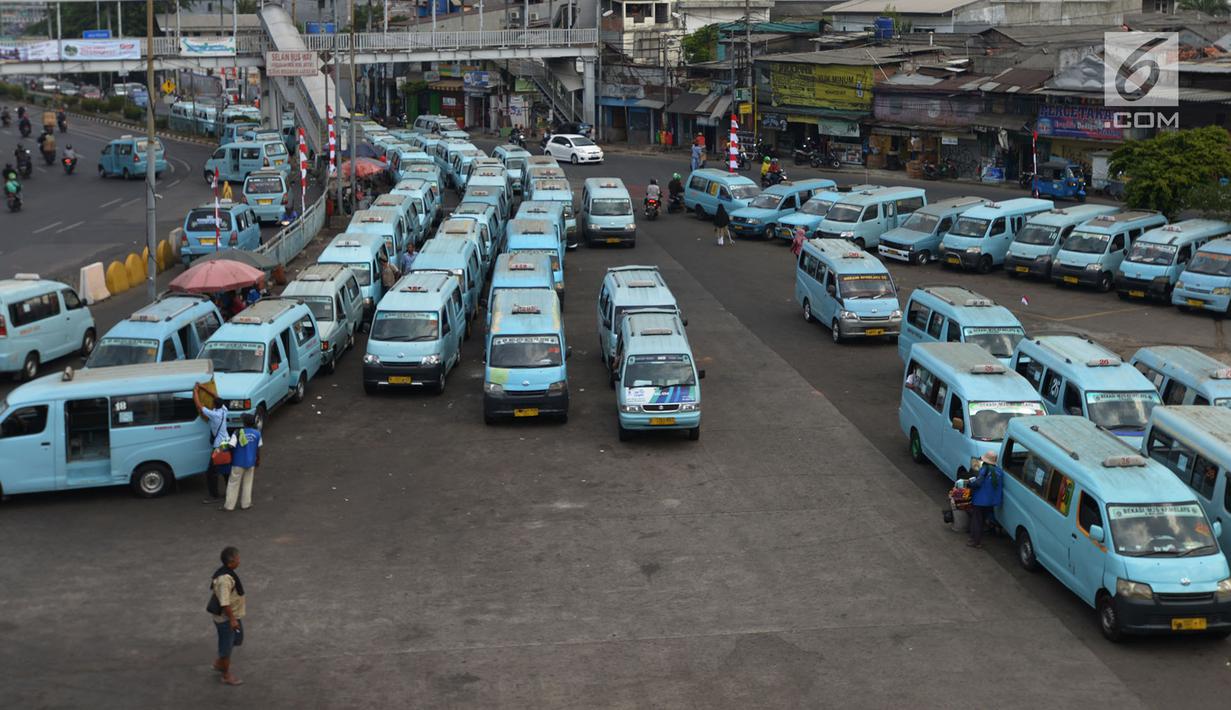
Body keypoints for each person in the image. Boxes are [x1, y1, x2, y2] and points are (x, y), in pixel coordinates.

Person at [208, 546, 246, 686]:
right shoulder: (224, 580)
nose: (239, 561)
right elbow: (224, 603)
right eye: (237, 559)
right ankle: (225, 675)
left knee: (237, 639)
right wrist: (232, 619)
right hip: (226, 619)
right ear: (231, 562)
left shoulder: (228, 573)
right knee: (227, 647)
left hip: (233, 616)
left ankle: (219, 663)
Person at [194, 383, 230, 503]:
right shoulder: (224, 410)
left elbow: (199, 406)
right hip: (226, 443)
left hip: (219, 446)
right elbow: (216, 396)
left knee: (211, 472)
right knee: (225, 468)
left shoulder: (214, 415)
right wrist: (204, 388)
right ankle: (230, 491)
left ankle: (214, 496)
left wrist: (195, 391)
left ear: (214, 404)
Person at [223, 413, 261, 512]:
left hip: (238, 462)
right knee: (248, 483)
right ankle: (246, 504)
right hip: (251, 462)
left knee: (233, 484)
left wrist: (223, 446)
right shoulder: (257, 433)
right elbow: (258, 448)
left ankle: (229, 506)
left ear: (244, 422)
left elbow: (231, 446)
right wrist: (257, 459)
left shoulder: (238, 432)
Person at [967, 451, 1004, 549]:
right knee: (983, 519)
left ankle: (975, 541)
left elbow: (978, 483)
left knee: (976, 521)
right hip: (991, 501)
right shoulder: (999, 472)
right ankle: (980, 538)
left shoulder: (984, 469)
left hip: (980, 500)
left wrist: (970, 484)